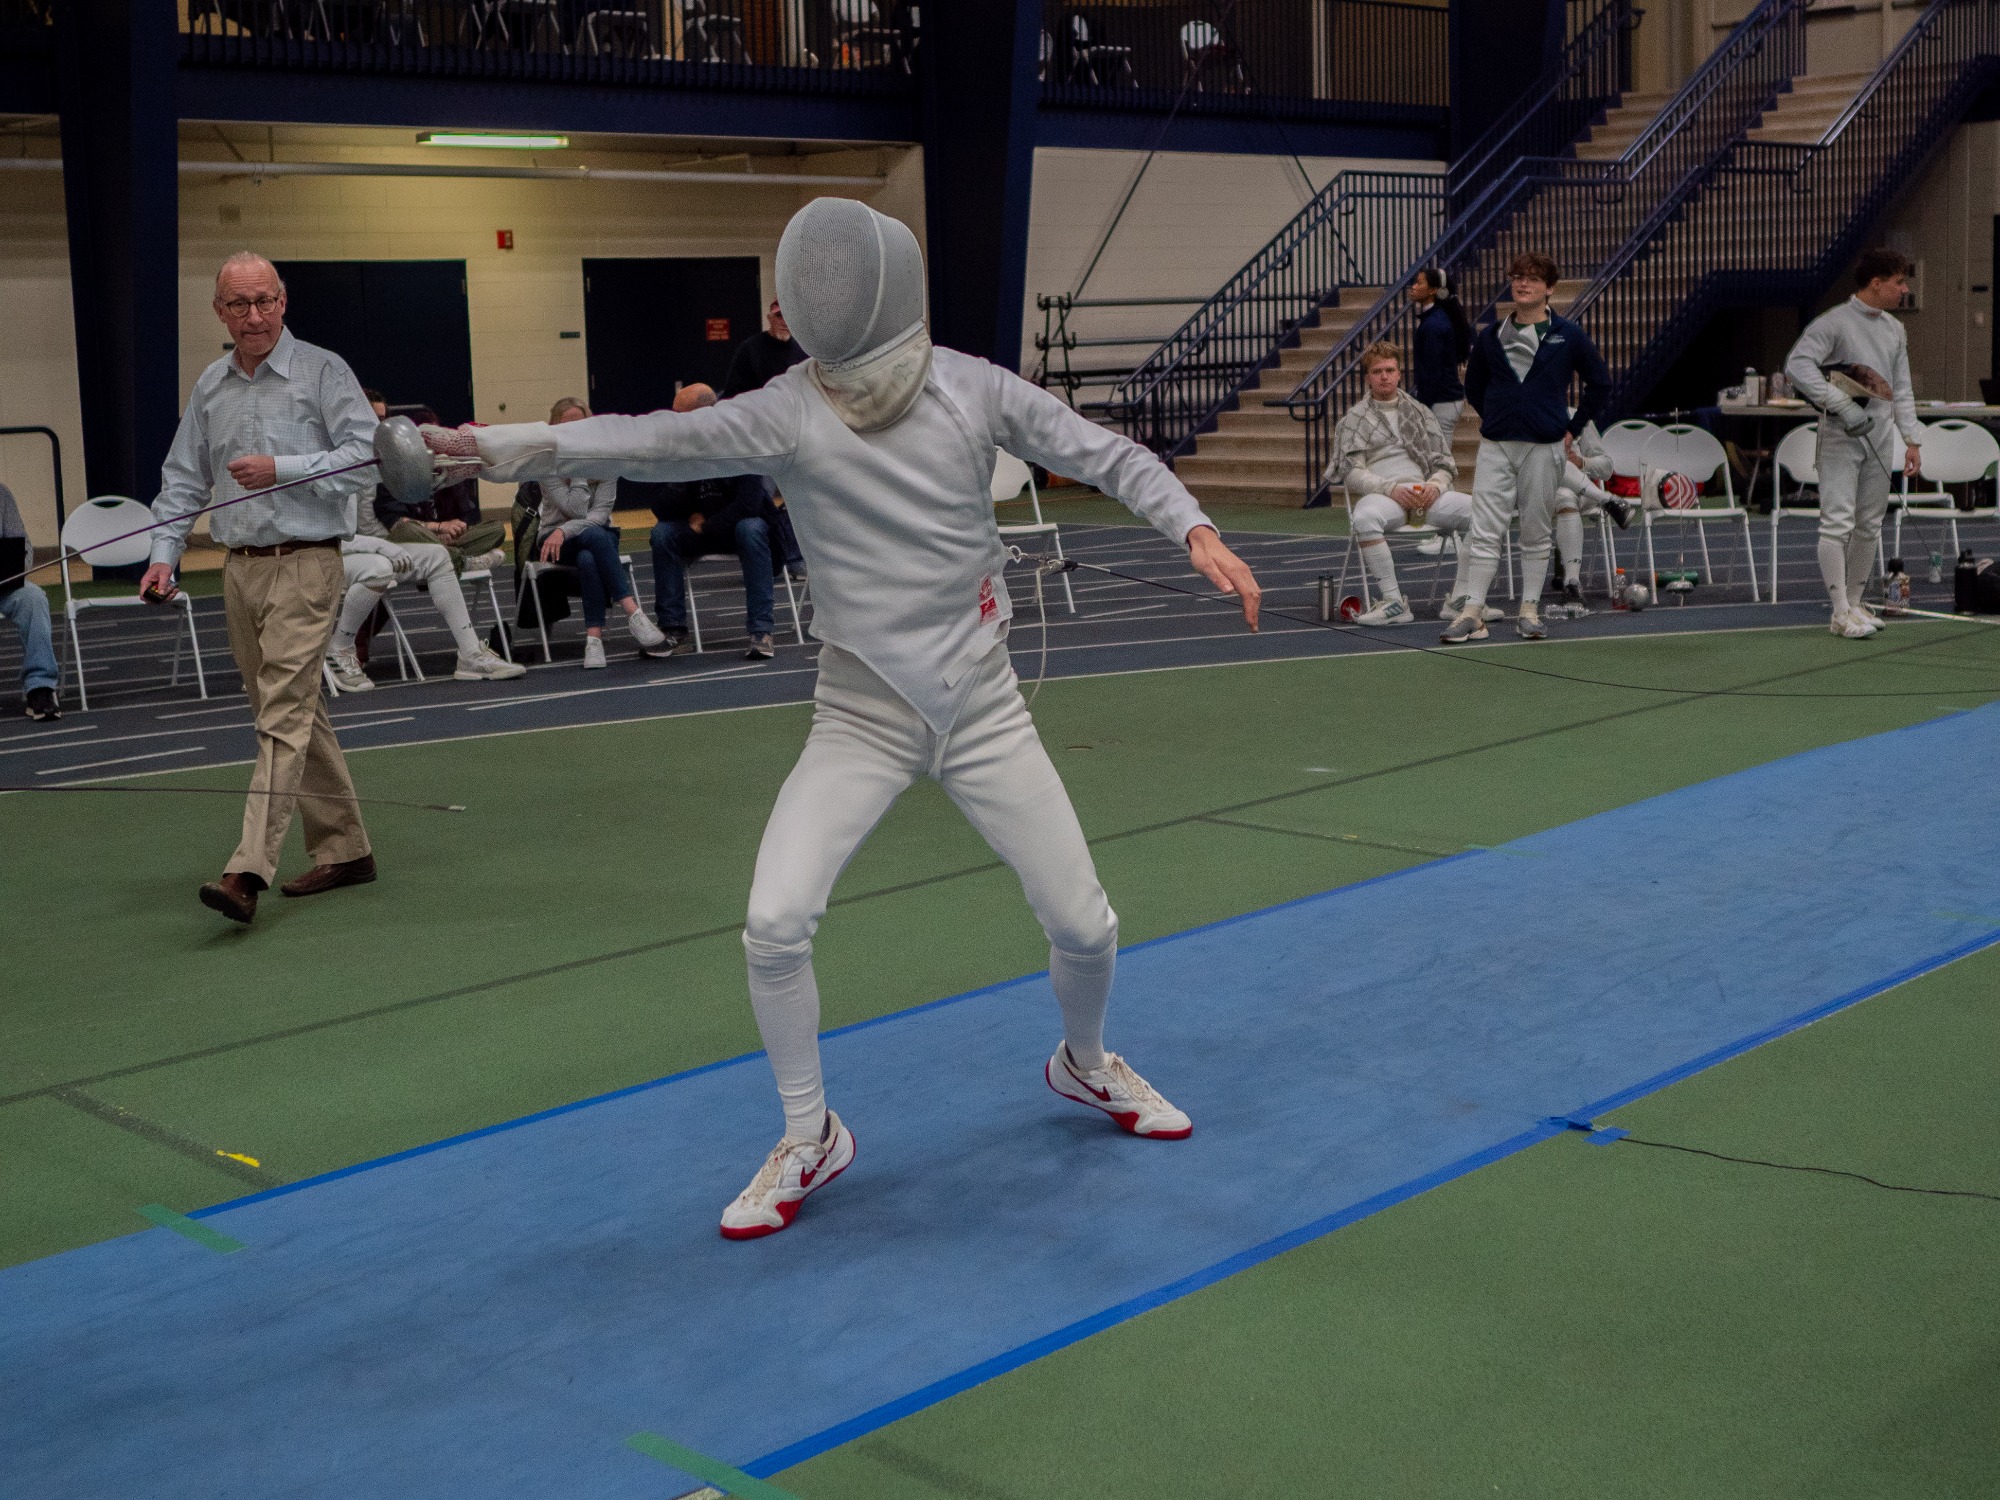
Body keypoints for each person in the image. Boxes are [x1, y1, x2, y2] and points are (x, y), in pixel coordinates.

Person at [418, 197, 1262, 1238]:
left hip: (981, 704)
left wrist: (1194, 527)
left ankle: (1084, 1065)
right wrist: (479, 448)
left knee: (1084, 923)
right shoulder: (785, 408)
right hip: (860, 712)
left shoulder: (970, 388)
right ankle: (809, 1132)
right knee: (773, 922)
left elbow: (1104, 453)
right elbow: (644, 435)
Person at [138, 251, 377, 925]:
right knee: (295, 710)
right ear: (219, 311)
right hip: (239, 568)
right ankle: (347, 848)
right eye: (238, 305)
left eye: (264, 301)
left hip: (307, 563)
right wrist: (164, 554)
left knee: (280, 715)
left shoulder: (323, 370)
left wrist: (282, 469)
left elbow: (365, 461)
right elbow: (183, 478)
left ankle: (246, 869)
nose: (253, 316)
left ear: (283, 300)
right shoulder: (211, 385)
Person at [1443, 252, 1610, 644]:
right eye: (1517, 277)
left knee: (1535, 531)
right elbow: (1474, 388)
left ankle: (1529, 611)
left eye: (1533, 279)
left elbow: (1599, 383)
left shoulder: (1568, 335)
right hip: (1497, 445)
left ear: (1549, 289)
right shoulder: (1490, 335)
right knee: (1485, 529)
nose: (1523, 284)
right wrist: (1503, 416)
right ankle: (1471, 611)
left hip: (1544, 446)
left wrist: (1570, 428)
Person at [1784, 247, 1925, 639]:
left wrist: (1912, 439)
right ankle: (1839, 611)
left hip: (1879, 433)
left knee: (1869, 524)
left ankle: (1856, 603)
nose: (1904, 289)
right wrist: (1840, 404)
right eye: (1899, 282)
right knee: (1838, 521)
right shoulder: (1834, 323)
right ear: (1876, 284)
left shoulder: (1895, 328)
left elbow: (1901, 386)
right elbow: (1797, 365)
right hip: (1839, 435)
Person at [1328, 343, 1481, 626]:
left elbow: (1444, 463)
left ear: (1399, 374)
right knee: (1363, 517)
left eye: (1390, 370)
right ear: (1368, 378)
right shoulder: (1354, 419)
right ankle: (1393, 602)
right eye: (1377, 371)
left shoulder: (1421, 412)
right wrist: (1391, 489)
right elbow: (1351, 473)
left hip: (1425, 495)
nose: (1384, 376)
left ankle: (1462, 600)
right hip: (1385, 496)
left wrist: (1435, 484)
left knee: (1481, 513)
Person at [648, 383, 784, 660]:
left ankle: (761, 631)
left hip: (732, 527)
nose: (673, 420)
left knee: (751, 528)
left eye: (679, 413)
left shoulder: (740, 442)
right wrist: (679, 486)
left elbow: (749, 504)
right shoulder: (680, 448)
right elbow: (660, 508)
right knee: (662, 534)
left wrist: (707, 522)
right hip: (697, 528)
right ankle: (673, 628)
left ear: (704, 414)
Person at [533, 397, 670, 668]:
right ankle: (632, 611)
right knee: (594, 538)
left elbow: (597, 516)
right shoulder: (546, 465)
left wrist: (564, 529)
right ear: (555, 428)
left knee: (589, 555)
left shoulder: (606, 462)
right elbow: (575, 508)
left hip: (585, 535)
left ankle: (593, 641)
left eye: (581, 424)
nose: (576, 430)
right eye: (568, 425)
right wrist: (580, 469)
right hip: (552, 541)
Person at [324, 529, 525, 688]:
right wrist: (381, 545)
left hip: (363, 546)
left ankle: (471, 655)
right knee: (378, 568)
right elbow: (328, 534)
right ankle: (339, 647)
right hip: (318, 554)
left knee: (437, 555)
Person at [365, 400, 507, 573]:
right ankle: (462, 561)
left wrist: (455, 528)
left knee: (496, 528)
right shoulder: (395, 471)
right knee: (407, 530)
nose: (435, 444)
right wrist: (439, 528)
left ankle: (453, 556)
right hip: (419, 537)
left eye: (439, 438)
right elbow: (395, 522)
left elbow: (467, 515)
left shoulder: (448, 467)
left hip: (447, 539)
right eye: (428, 439)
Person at [0, 482, 60, 721]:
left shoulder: (1, 493)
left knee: (33, 598)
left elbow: (23, 548)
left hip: (4, 586)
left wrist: (14, 573)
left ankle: (40, 687)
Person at [1407, 267, 1473, 448]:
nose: (1413, 287)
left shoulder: (1435, 324)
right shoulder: (1435, 319)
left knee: (1439, 459)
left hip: (1442, 401)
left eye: (1419, 283)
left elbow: (1433, 370)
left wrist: (1424, 403)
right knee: (1436, 457)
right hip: (1443, 399)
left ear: (1433, 290)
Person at [722, 300, 808, 398]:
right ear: (769, 318)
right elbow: (732, 392)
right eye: (779, 315)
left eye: (788, 316)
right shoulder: (750, 349)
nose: (784, 322)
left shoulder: (804, 351)